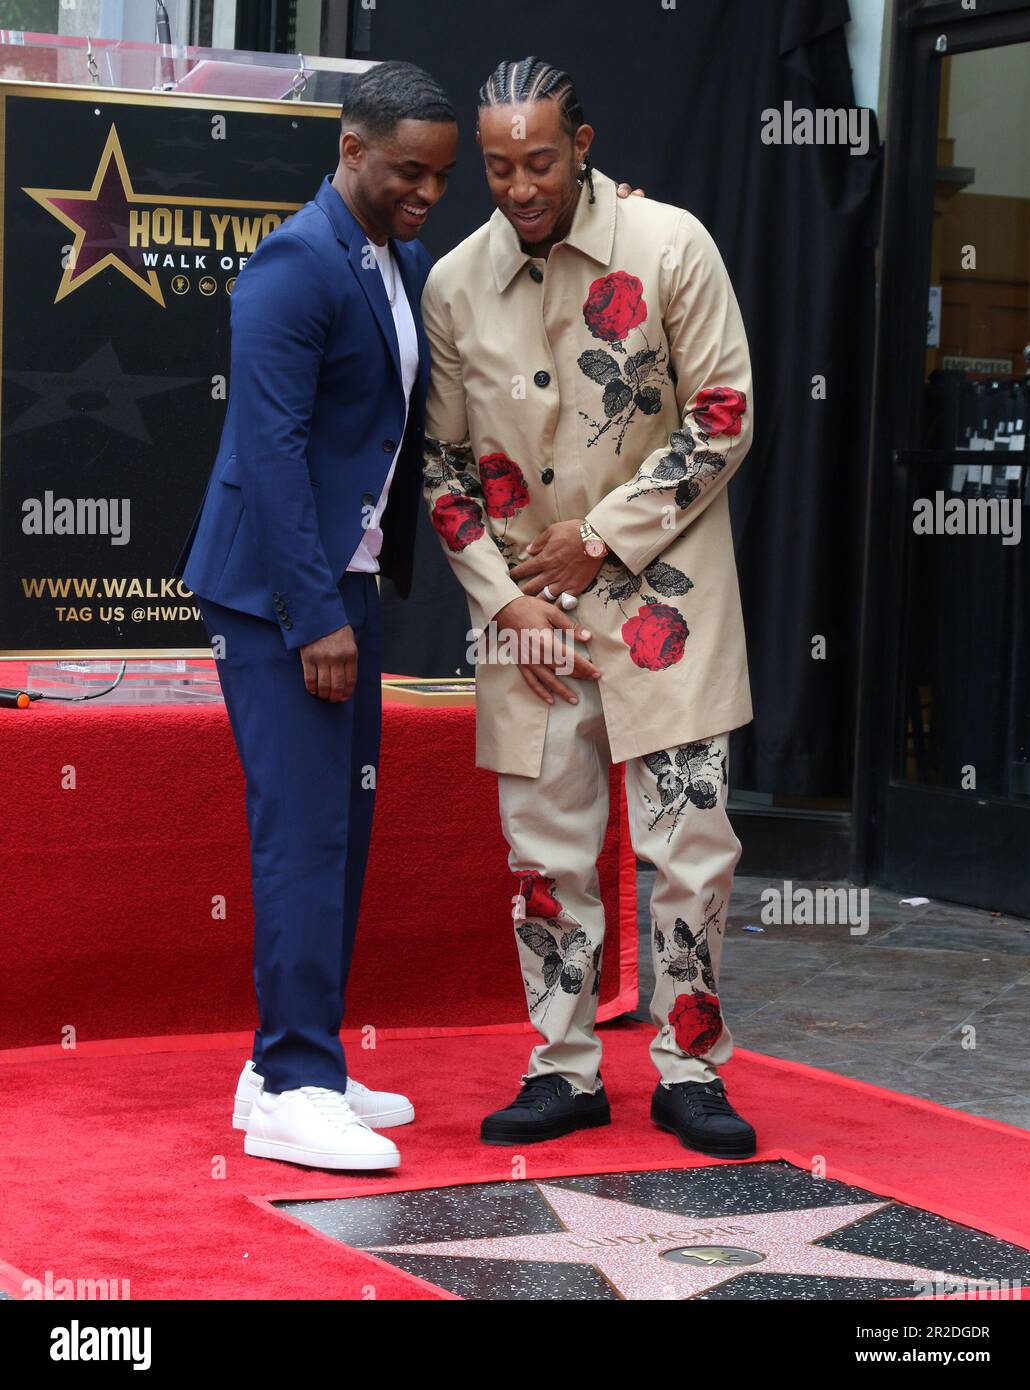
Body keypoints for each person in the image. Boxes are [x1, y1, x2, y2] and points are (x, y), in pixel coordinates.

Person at [421, 57, 757, 1158]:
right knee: (544, 851)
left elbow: (721, 414)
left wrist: (602, 534)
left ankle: (688, 1067)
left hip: (667, 597)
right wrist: (502, 598)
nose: (518, 185)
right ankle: (562, 1070)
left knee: (692, 842)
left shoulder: (672, 247)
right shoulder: (454, 285)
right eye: (498, 165)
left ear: (584, 144)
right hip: (527, 612)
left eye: (540, 161)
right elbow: (439, 471)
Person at [171, 62, 457, 1171]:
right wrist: (310, 616)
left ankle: (291, 1064)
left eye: (437, 176)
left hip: (344, 582)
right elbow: (269, 450)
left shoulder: (397, 258)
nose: (425, 193)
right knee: (301, 833)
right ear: (349, 150)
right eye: (405, 172)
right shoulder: (296, 262)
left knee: (339, 830)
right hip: (280, 593)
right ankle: (294, 1081)